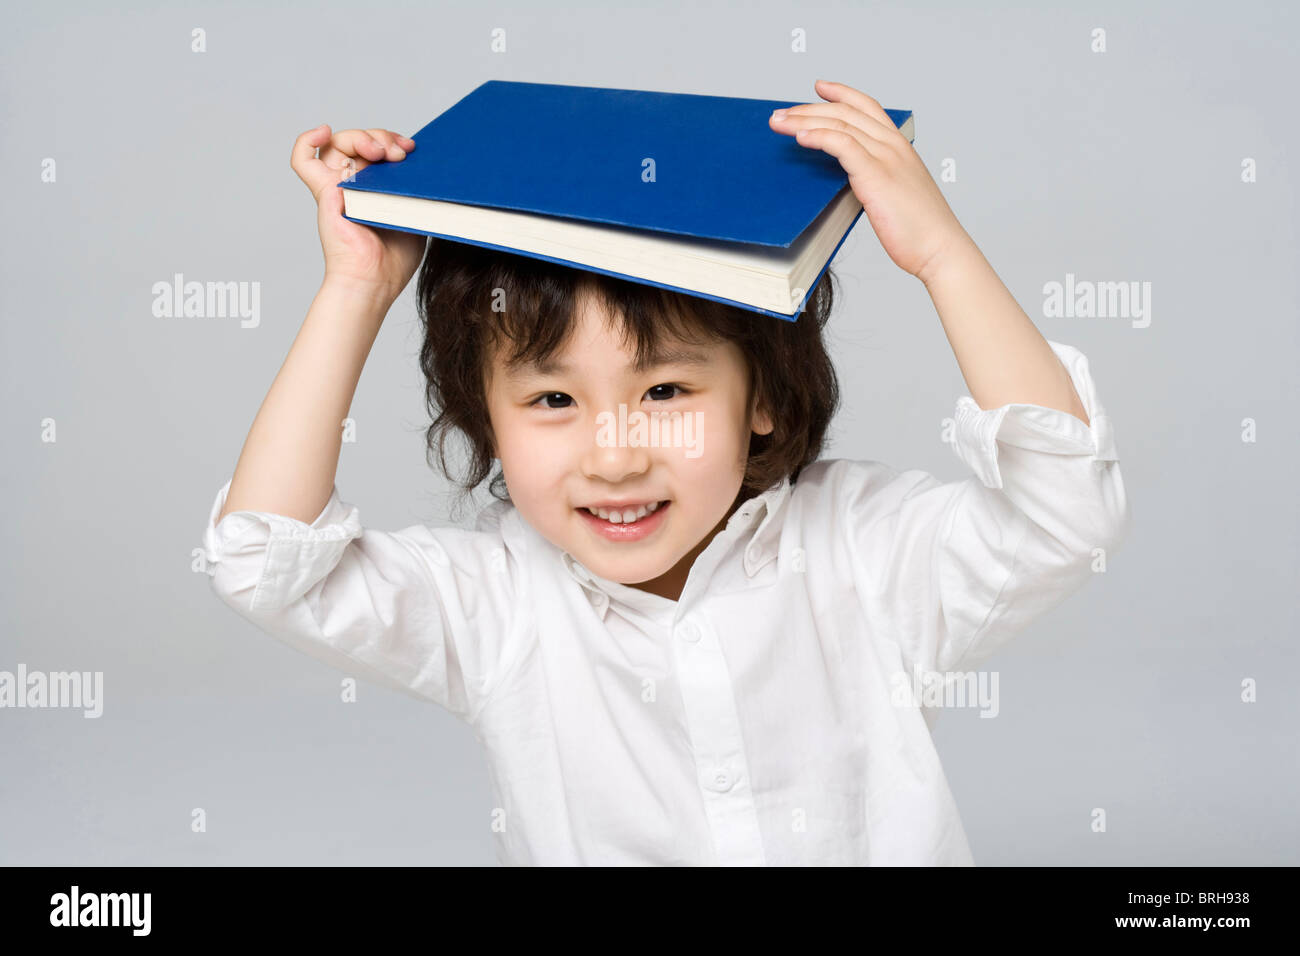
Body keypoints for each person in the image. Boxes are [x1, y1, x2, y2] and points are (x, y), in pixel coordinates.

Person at [199, 80, 1130, 865]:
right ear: (490, 418)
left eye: (666, 390)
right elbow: (264, 564)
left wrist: (941, 254)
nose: (615, 454)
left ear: (762, 396)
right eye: (552, 402)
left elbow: (1066, 515)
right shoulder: (499, 604)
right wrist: (355, 292)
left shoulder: (864, 550)